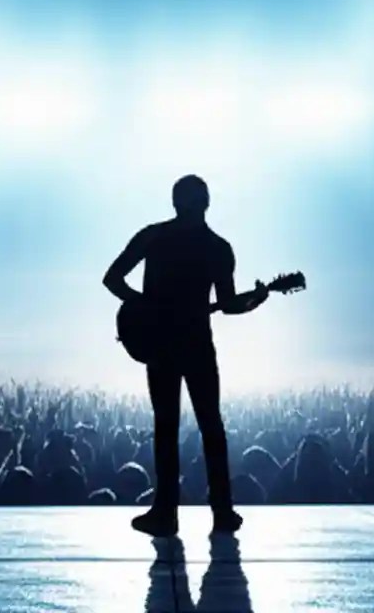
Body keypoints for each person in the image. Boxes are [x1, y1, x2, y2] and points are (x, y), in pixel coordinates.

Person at [104, 175, 269, 536]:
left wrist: (145, 307)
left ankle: (166, 513)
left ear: (175, 202)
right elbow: (227, 305)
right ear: (207, 203)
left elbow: (112, 279)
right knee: (211, 426)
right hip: (196, 345)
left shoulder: (153, 236)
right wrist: (256, 299)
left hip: (161, 345)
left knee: (166, 427)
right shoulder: (218, 247)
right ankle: (222, 512)